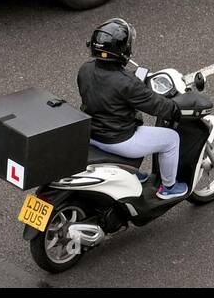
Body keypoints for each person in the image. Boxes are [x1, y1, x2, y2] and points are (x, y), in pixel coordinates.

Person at [76, 18, 189, 200]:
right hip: (118, 139)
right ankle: (169, 187)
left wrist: (132, 82)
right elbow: (156, 106)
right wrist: (177, 110)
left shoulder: (85, 69)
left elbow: (107, 85)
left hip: (92, 134)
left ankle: (131, 173)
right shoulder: (127, 83)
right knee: (171, 140)